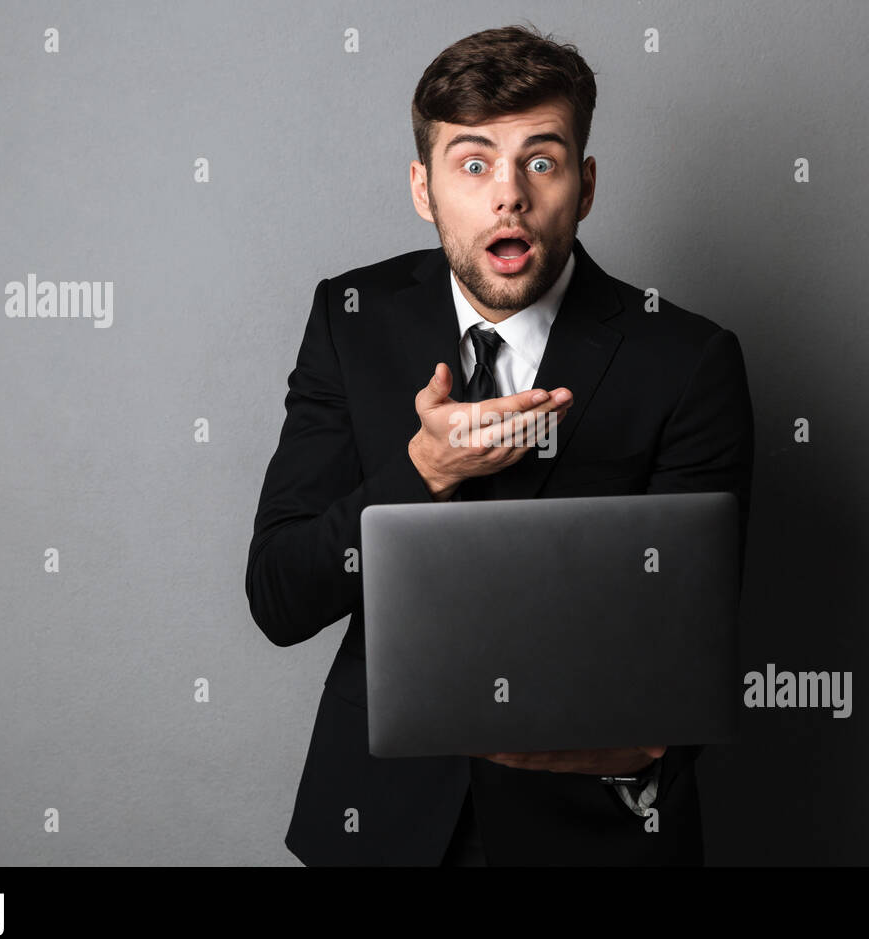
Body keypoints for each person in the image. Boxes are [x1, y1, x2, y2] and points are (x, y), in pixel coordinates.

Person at [245, 23, 754, 866]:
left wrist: (633, 752)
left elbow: (696, 653)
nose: (507, 196)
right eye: (473, 164)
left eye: (541, 162)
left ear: (584, 187)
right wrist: (423, 471)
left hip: (591, 838)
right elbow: (279, 596)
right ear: (424, 187)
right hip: (378, 829)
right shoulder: (351, 320)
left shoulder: (688, 359)